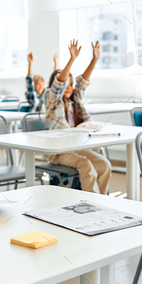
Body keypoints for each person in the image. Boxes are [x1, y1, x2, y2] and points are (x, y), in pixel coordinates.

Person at [43, 40, 111, 194]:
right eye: (66, 83)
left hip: (77, 147)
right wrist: (72, 59)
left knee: (104, 165)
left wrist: (94, 60)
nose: (68, 87)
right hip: (59, 151)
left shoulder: (75, 100)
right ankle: (91, 204)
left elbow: (83, 81)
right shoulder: (52, 100)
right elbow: (59, 84)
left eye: (71, 84)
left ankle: (101, 202)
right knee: (85, 165)